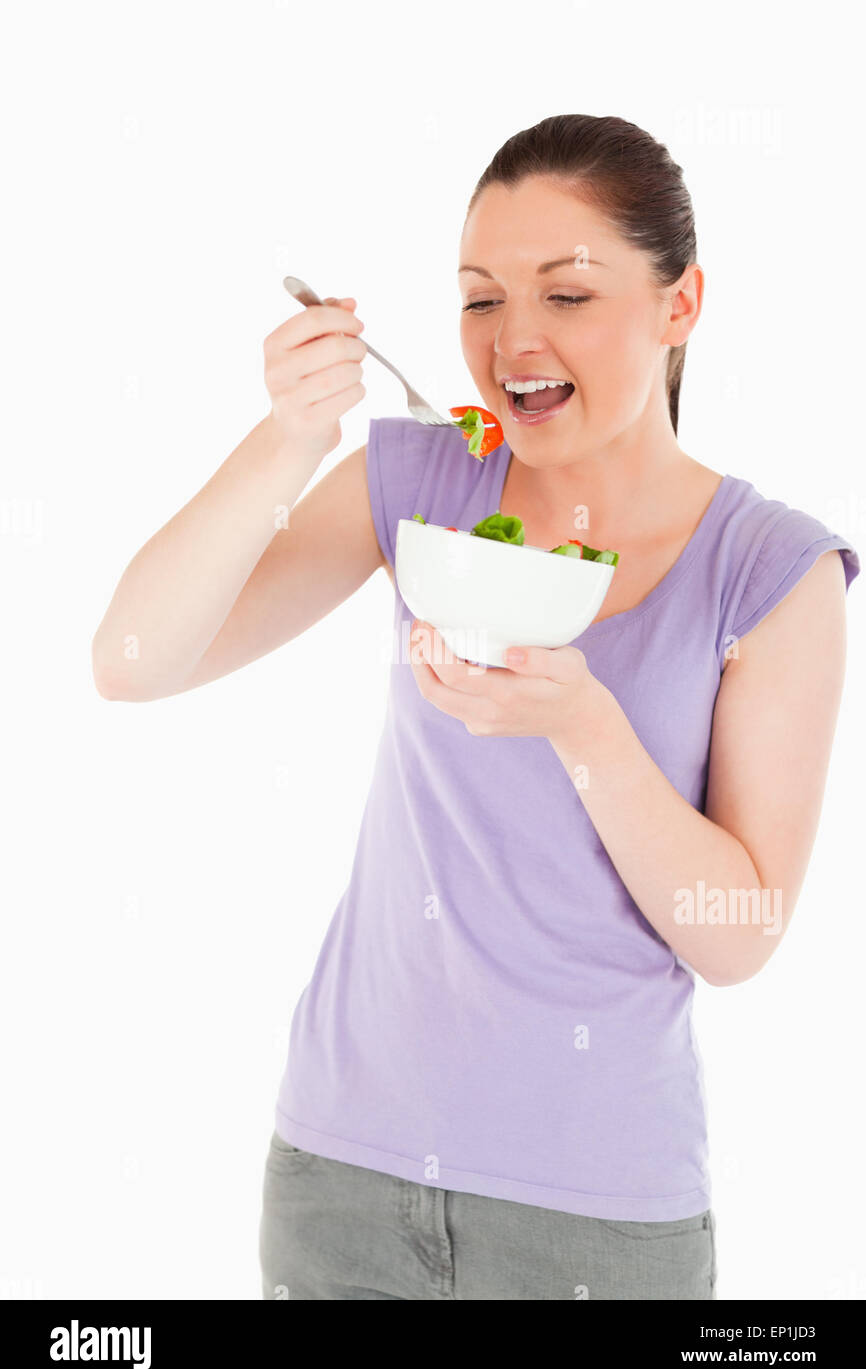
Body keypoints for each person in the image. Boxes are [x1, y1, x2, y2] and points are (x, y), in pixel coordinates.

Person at [92, 113, 861, 1301]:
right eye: (479, 298)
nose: (512, 342)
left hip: (597, 1220)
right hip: (339, 1175)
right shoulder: (422, 479)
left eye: (565, 295)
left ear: (680, 303)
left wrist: (583, 726)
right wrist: (290, 435)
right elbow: (135, 658)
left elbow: (736, 935)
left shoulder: (769, 568)